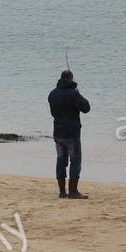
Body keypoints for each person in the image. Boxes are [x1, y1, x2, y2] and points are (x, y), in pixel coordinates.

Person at [48, 69, 91, 199]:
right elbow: (86, 108)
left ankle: (62, 191)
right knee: (75, 161)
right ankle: (73, 191)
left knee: (61, 160)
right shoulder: (74, 94)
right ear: (71, 79)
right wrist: (77, 93)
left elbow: (53, 113)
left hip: (58, 132)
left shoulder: (52, 94)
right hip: (72, 132)